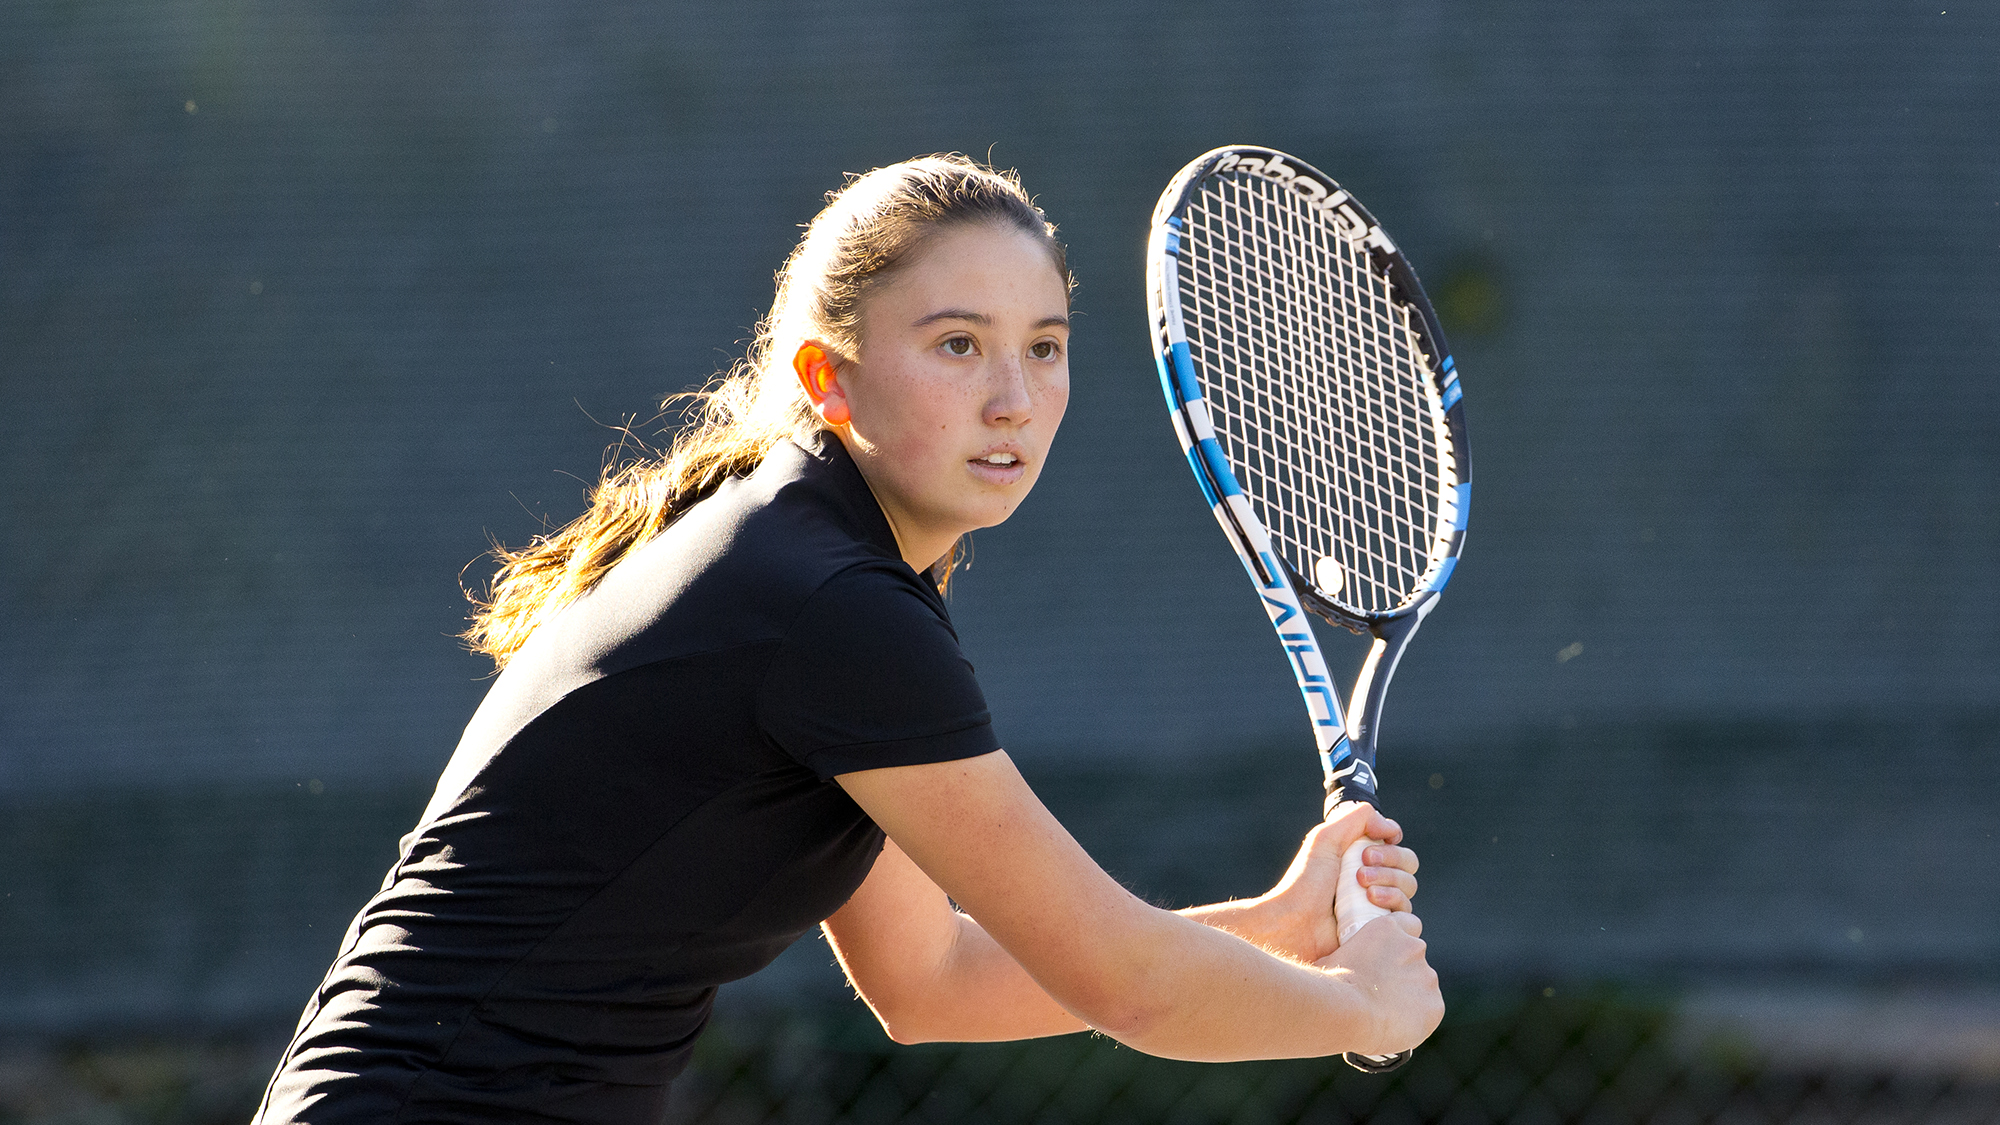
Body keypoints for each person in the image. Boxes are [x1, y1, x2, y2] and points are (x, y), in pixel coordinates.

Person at [252, 154, 1442, 1124]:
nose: (1014, 401)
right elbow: (1121, 981)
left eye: (1044, 345)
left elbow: (930, 981)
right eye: (957, 345)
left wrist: (1281, 929)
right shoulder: (826, 605)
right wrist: (1364, 1011)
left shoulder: (815, 570)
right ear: (830, 378)